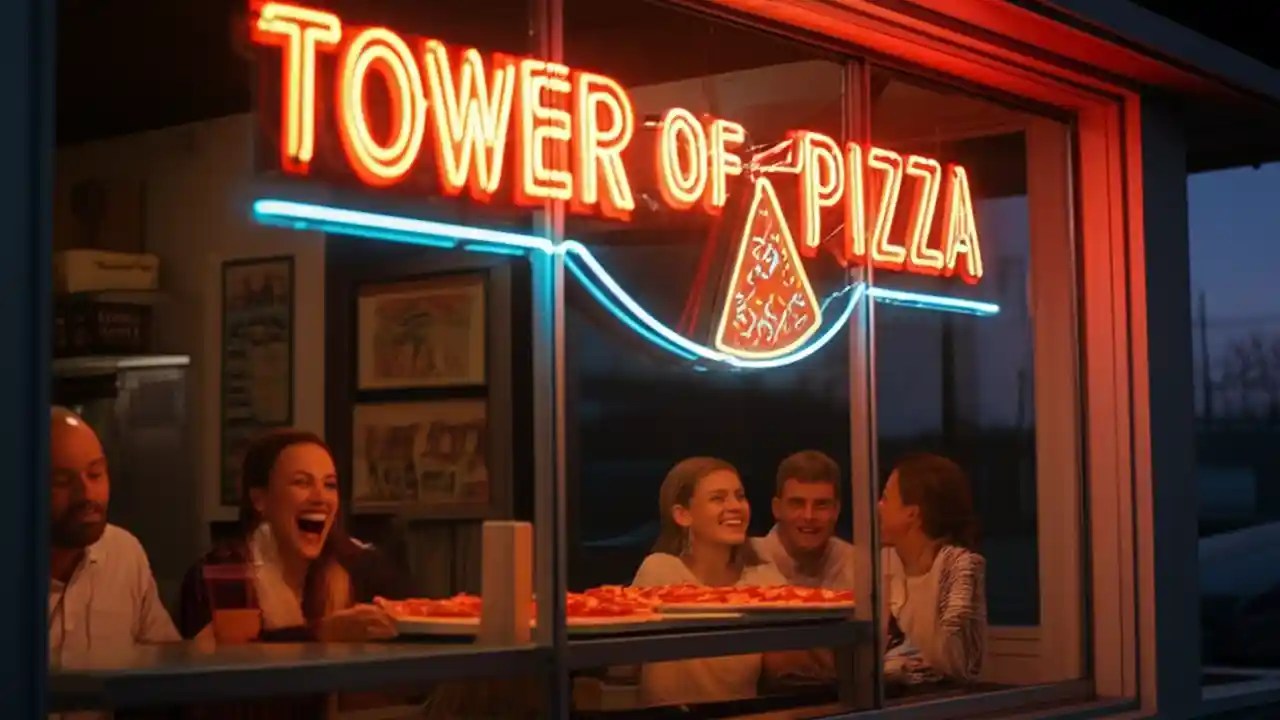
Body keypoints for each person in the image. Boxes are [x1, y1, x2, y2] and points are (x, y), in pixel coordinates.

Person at [179, 429, 407, 642]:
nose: (320, 498)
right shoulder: (221, 574)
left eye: (330, 485)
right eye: (301, 482)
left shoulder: (366, 568)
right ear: (260, 500)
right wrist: (321, 635)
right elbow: (217, 666)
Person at [631, 457, 789, 708]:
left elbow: (790, 665)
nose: (735, 506)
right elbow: (624, 668)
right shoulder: (660, 570)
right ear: (682, 515)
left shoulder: (762, 578)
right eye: (718, 498)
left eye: (740, 496)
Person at [48, 406, 179, 663]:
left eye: (95, 474)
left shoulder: (124, 552)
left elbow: (162, 660)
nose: (86, 495)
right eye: (62, 481)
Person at [878, 453, 987, 686]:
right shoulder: (881, 563)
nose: (878, 506)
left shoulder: (959, 567)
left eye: (886, 498)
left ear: (912, 514)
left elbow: (958, 665)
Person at [752, 450, 854, 590]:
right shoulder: (743, 561)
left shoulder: (859, 567)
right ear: (777, 508)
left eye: (821, 505)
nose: (809, 516)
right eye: (797, 503)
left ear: (836, 510)